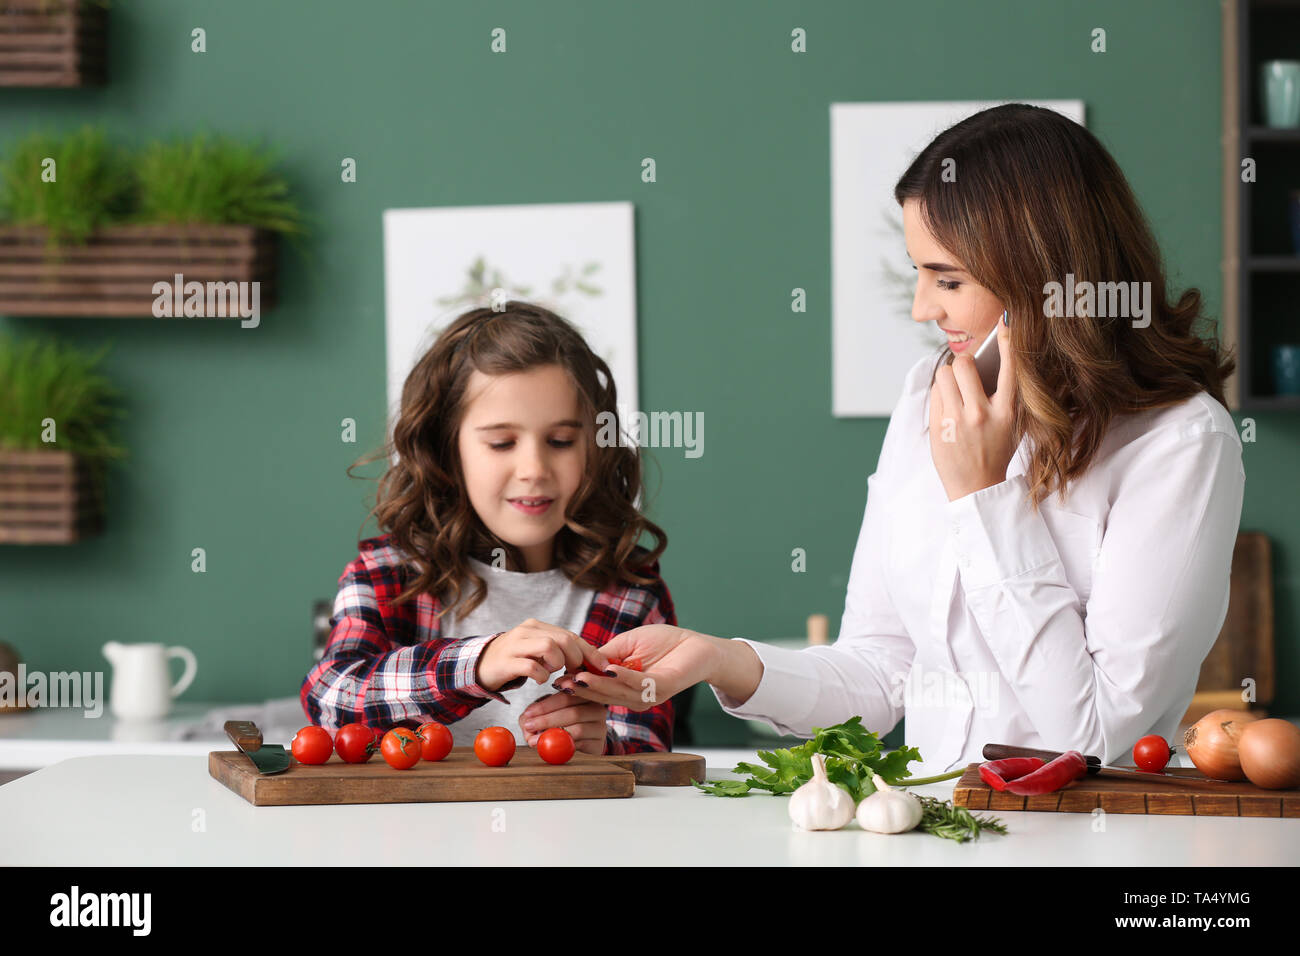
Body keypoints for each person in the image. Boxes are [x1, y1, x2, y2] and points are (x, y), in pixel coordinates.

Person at [561, 103, 1245, 773]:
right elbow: (882, 670)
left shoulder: (1181, 444)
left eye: (949, 278)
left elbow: (1091, 732)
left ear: (1045, 276)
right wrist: (720, 658)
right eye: (919, 272)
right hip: (934, 833)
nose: (924, 308)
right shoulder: (929, 395)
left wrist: (985, 500)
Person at [301, 301, 677, 755]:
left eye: (561, 441)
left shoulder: (632, 591)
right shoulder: (386, 572)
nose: (534, 469)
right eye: (502, 443)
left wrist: (608, 749)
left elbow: (650, 752)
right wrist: (476, 663)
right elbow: (329, 698)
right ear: (447, 451)